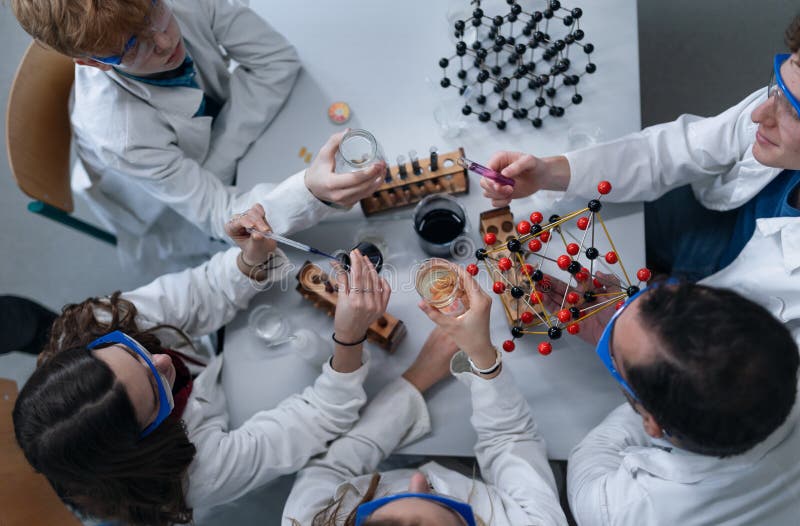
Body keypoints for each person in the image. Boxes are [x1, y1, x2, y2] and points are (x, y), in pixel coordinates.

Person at [12, 203, 391, 526]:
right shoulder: (195, 475)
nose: (161, 358)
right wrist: (350, 337)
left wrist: (248, 262)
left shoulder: (97, 325)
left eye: (130, 350)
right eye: (156, 387)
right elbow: (320, 417)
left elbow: (202, 292)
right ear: (150, 436)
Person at [480, 16, 800, 339]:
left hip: (709, 322)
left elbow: (743, 373)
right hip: (693, 221)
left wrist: (626, 336)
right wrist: (548, 172)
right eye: (778, 83)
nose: (761, 113)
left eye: (794, 111)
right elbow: (672, 151)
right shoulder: (784, 97)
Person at [9, 0, 385, 274]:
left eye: (154, 11)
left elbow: (277, 61)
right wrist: (309, 192)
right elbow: (221, 215)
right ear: (91, 62)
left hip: (205, 153)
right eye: (131, 45)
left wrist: (216, 162)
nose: (163, 40)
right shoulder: (118, 133)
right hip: (160, 209)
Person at [282, 265, 568, 526]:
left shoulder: (308, 519)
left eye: (385, 502)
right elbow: (511, 439)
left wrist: (418, 378)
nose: (419, 478)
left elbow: (333, 467)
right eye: (444, 504)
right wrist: (481, 356)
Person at [561, 280, 799, 525]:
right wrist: (627, 340)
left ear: (651, 424)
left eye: (615, 359)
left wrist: (618, 339)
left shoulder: (622, 510)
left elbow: (594, 452)